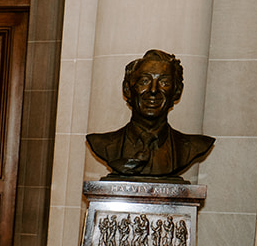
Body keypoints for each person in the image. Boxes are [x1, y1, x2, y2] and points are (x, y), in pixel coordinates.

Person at [85, 49, 214, 179]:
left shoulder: (192, 147)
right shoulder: (102, 144)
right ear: (127, 89)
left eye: (164, 82)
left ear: (177, 91)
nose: (153, 90)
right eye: (144, 81)